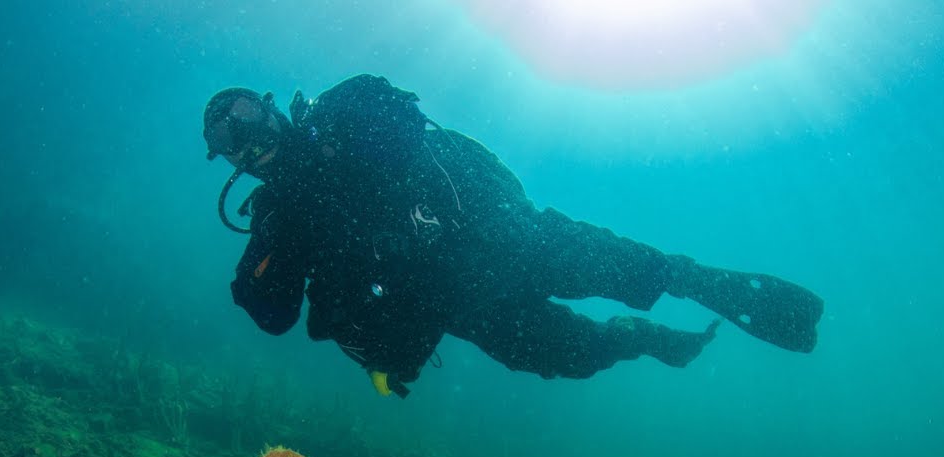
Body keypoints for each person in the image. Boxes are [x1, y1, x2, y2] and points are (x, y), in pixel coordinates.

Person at [204, 75, 823, 397]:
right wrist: (256, 274)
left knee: (601, 261)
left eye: (246, 115)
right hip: (458, 303)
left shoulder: (340, 115)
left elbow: (402, 121)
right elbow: (275, 315)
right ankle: (636, 339)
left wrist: (340, 148)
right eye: (229, 137)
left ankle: (705, 283)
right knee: (567, 356)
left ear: (270, 107)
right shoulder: (278, 218)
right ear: (230, 160)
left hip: (494, 235)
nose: (246, 133)